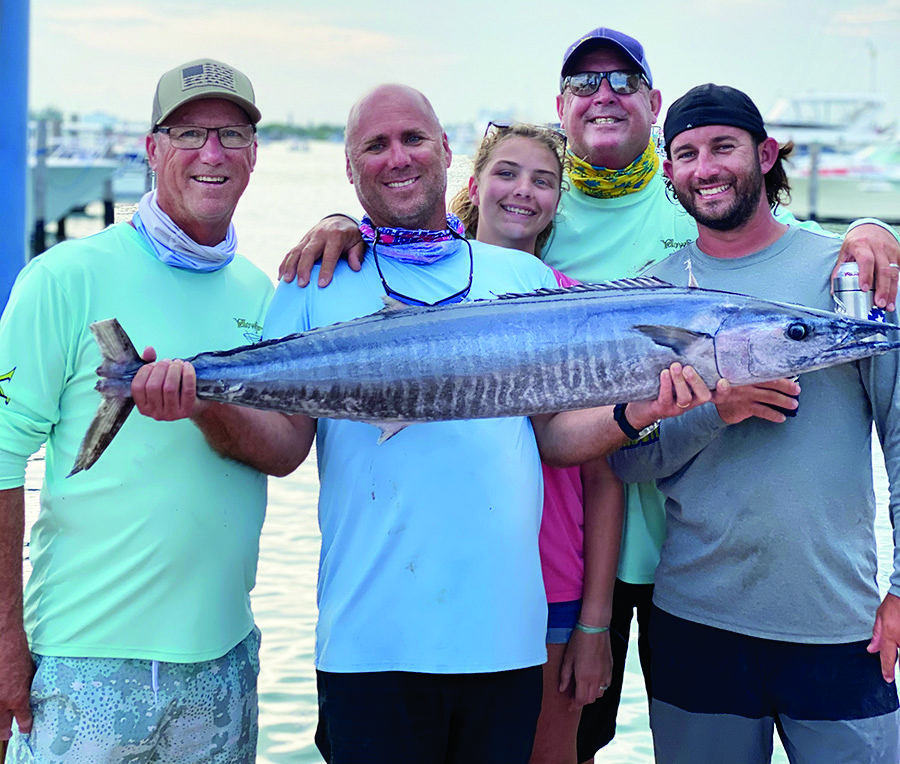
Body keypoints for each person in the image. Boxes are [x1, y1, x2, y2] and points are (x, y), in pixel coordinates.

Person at [277, 29, 900, 762]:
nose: (706, 170)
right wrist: (338, 220)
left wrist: (870, 228)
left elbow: (790, 262)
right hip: (621, 580)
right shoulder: (539, 235)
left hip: (710, 582)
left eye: (723, 149)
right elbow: (414, 218)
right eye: (582, 84)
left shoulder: (733, 240)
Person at [609, 82, 900, 764]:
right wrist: (716, 409)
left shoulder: (846, 273)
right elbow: (627, 460)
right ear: (668, 169)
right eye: (686, 154)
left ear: (766, 154)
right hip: (694, 623)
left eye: (723, 147)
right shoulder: (650, 291)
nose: (704, 167)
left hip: (841, 626)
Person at [0, 58, 275, 764]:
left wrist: (202, 405)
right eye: (189, 133)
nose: (211, 154)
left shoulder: (262, 294)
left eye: (232, 134)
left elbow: (283, 450)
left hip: (224, 664)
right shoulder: (61, 278)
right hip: (83, 663)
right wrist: (5, 644)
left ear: (253, 154)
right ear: (152, 149)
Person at [450, 122, 624, 764]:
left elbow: (605, 480)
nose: (524, 191)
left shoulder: (577, 306)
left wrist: (595, 623)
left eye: (544, 180)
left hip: (553, 584)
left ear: (558, 200)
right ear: (473, 185)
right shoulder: (421, 294)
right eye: (507, 173)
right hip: (441, 580)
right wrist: (337, 221)